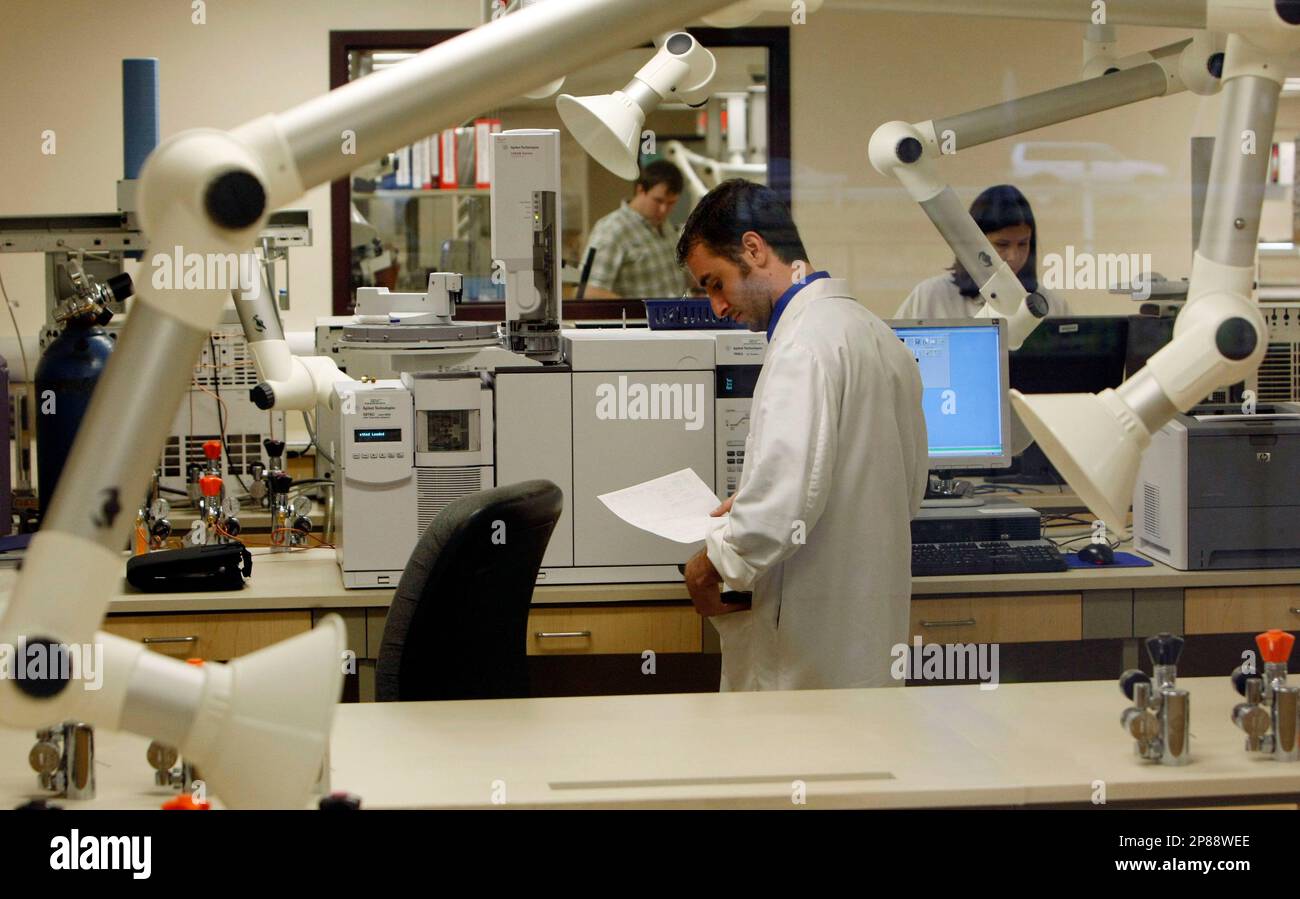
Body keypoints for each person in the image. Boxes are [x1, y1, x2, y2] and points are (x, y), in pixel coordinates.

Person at [678, 179, 929, 691]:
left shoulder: (802, 349)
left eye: (715, 283)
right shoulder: (877, 335)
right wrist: (754, 501)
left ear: (753, 248)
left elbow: (774, 520)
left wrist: (708, 563)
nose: (717, 307)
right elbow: (906, 492)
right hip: (867, 654)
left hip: (804, 661)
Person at [895, 184, 1070, 319]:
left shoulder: (1051, 305)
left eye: (1023, 244)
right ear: (975, 244)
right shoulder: (930, 298)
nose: (1014, 256)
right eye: (1002, 245)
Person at [580, 160, 689, 299]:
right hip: (639, 318)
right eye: (658, 201)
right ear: (640, 190)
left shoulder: (665, 225)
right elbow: (589, 291)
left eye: (671, 203)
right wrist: (635, 310)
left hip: (673, 318)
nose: (663, 210)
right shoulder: (612, 229)